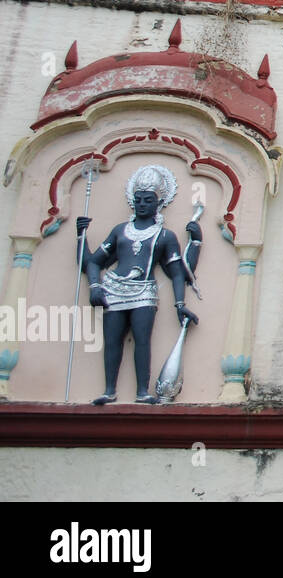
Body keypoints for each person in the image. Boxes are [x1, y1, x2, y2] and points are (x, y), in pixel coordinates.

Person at [76, 164, 200, 405]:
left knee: (142, 340)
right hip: (113, 288)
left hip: (144, 291)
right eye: (138, 199)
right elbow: (93, 263)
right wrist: (94, 284)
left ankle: (142, 391)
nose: (142, 204)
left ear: (159, 202)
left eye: (148, 200)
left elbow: (178, 272)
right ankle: (109, 389)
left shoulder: (164, 236)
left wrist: (180, 303)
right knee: (112, 340)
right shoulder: (120, 231)